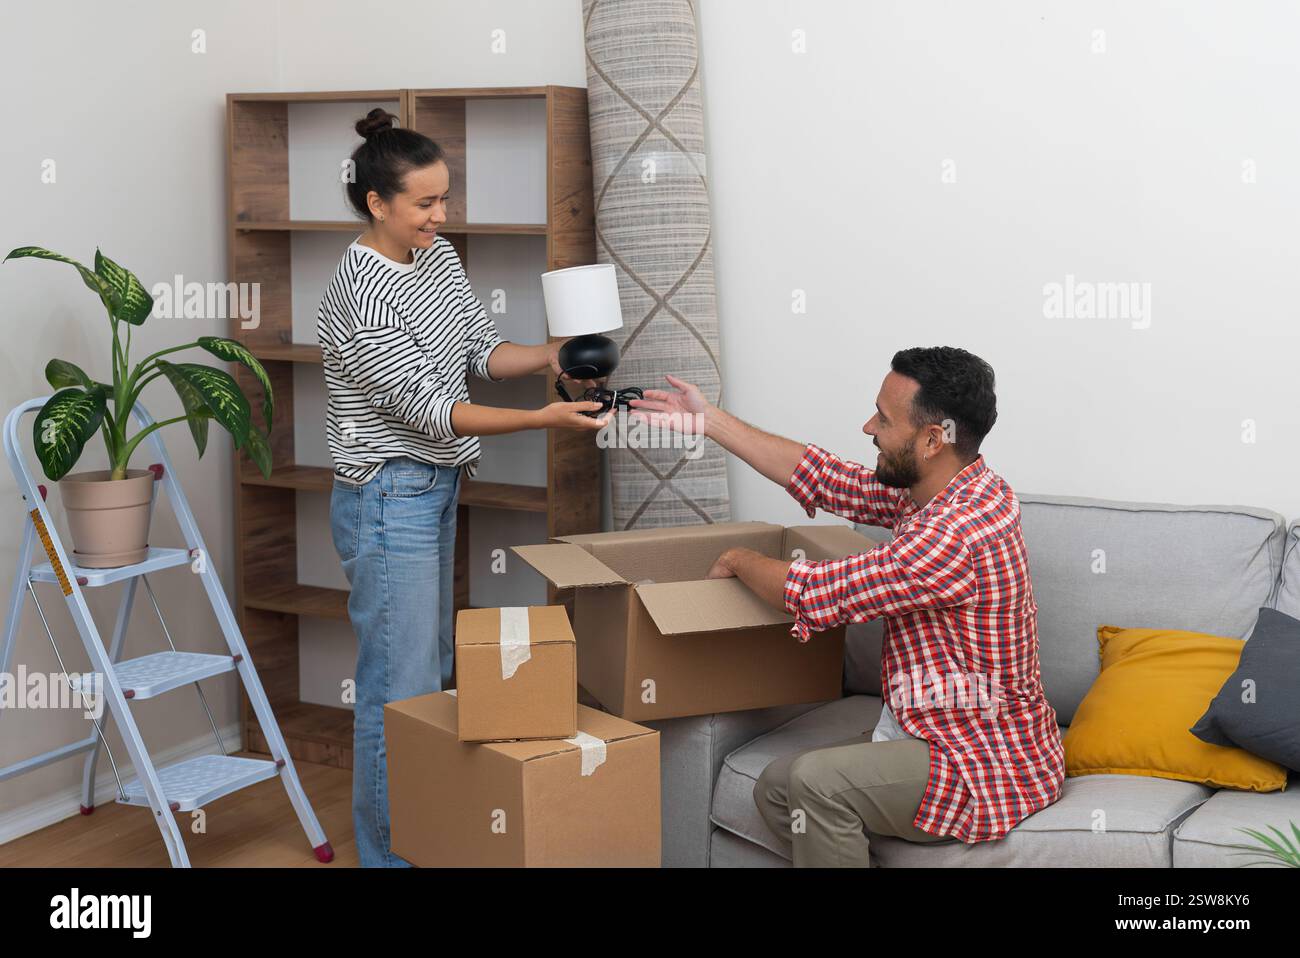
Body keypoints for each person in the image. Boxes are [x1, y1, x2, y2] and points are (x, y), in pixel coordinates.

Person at [628, 346, 1065, 866]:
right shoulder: (948, 488)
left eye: (883, 418)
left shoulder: (952, 535)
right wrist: (710, 420)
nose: (868, 427)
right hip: (932, 726)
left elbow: (815, 592)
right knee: (774, 788)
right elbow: (831, 479)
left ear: (931, 439)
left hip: (981, 761)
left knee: (815, 785)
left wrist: (739, 558)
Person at [317, 108, 608, 867]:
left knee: (434, 674)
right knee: (400, 686)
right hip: (388, 497)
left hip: (434, 486)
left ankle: (430, 833)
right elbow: (431, 409)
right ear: (377, 202)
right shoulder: (359, 295)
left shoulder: (437, 258)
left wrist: (554, 352)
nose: (441, 216)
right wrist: (545, 418)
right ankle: (388, 857)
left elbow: (477, 351)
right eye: (424, 204)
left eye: (445, 199)